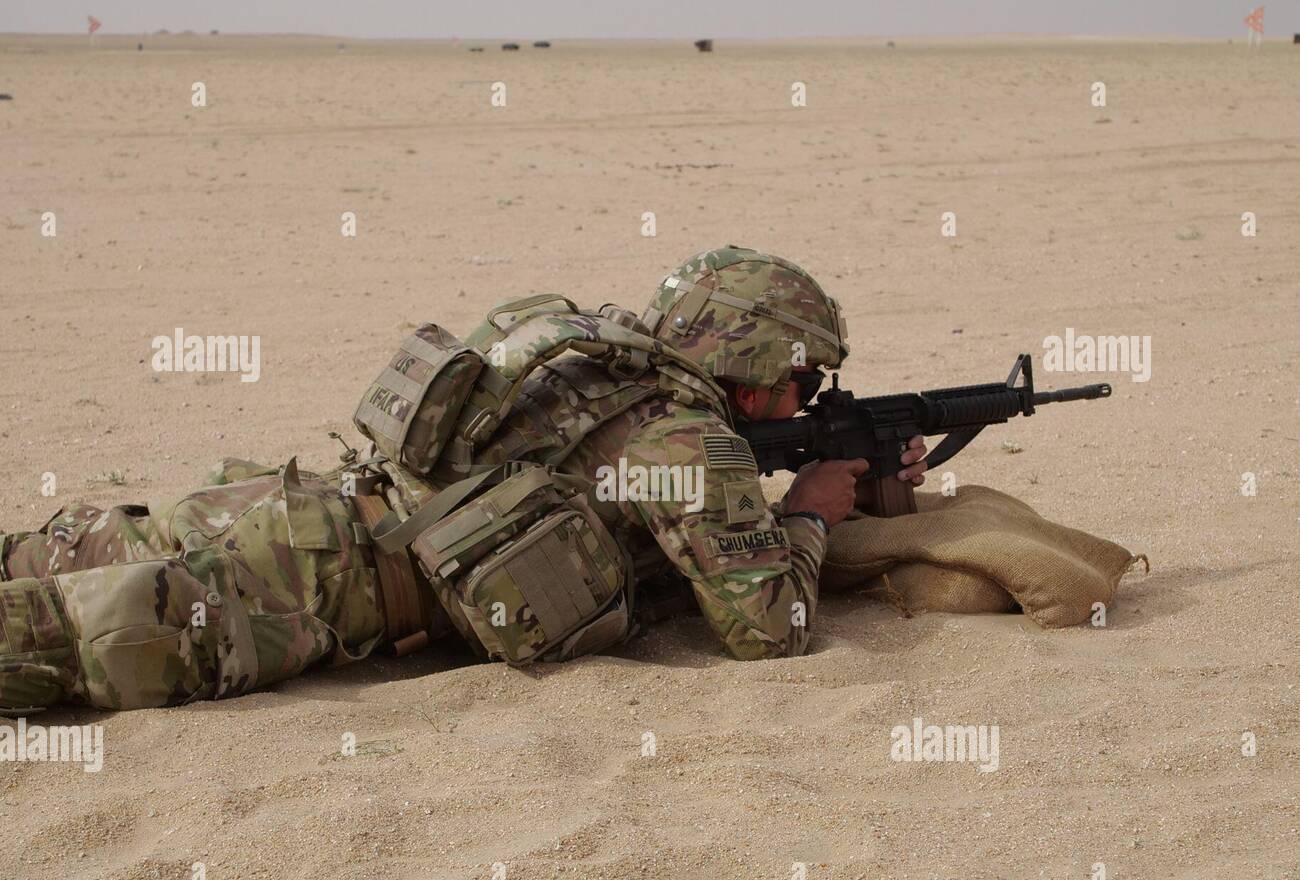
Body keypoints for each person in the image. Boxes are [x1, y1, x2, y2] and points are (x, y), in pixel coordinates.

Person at [0, 246, 926, 711]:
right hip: (322, 590)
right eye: (804, 377)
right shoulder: (686, 440)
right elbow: (773, 632)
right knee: (70, 640)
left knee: (43, 555)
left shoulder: (592, 359)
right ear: (756, 359)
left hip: (291, 505)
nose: (805, 393)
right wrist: (806, 516)